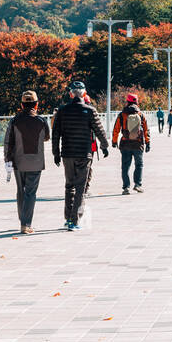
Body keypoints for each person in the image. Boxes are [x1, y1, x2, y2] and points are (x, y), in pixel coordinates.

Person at [51, 81, 109, 230]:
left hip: (68, 153)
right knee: (80, 188)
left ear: (70, 94)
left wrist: (56, 153)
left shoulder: (62, 111)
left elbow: (55, 134)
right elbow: (100, 131)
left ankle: (67, 217)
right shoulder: (90, 111)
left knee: (69, 186)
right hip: (84, 153)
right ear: (84, 94)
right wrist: (104, 146)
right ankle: (74, 220)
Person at [3, 90, 49, 234]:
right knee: (30, 193)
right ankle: (26, 223)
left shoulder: (14, 120)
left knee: (21, 191)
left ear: (22, 105)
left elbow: (8, 142)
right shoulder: (42, 121)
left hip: (18, 161)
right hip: (36, 161)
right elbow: (47, 137)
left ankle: (22, 219)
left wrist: (7, 159)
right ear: (36, 105)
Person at [112, 93, 150, 194]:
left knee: (125, 166)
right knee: (139, 165)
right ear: (136, 102)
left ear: (127, 102)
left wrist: (114, 141)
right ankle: (137, 184)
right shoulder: (140, 114)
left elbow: (116, 129)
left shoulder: (122, 114)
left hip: (125, 144)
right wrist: (147, 142)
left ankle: (126, 187)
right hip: (138, 144)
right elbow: (146, 129)